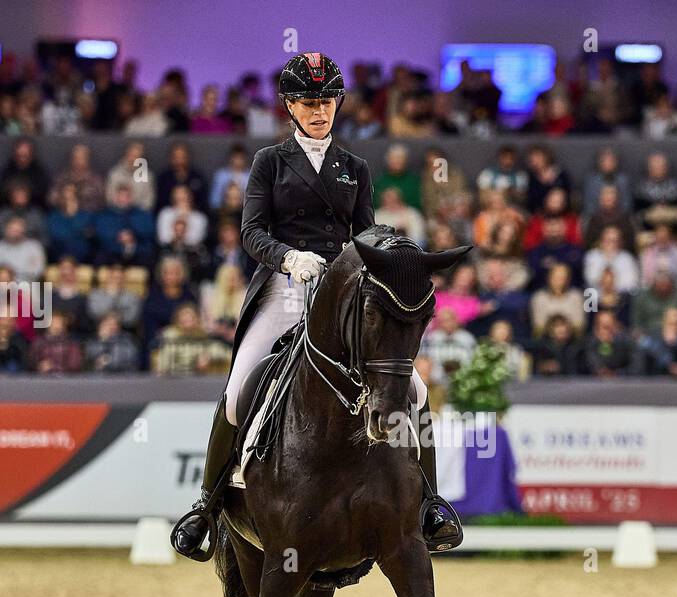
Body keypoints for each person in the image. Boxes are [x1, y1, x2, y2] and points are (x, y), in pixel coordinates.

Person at [172, 51, 462, 559]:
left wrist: (390, 257)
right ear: (289, 106)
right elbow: (251, 233)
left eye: (327, 100)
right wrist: (288, 258)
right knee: (242, 382)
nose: (319, 110)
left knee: (412, 388)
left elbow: (366, 235)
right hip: (285, 285)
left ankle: (430, 505)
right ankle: (207, 505)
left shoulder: (354, 168)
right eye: (308, 102)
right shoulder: (269, 163)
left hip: (343, 292)